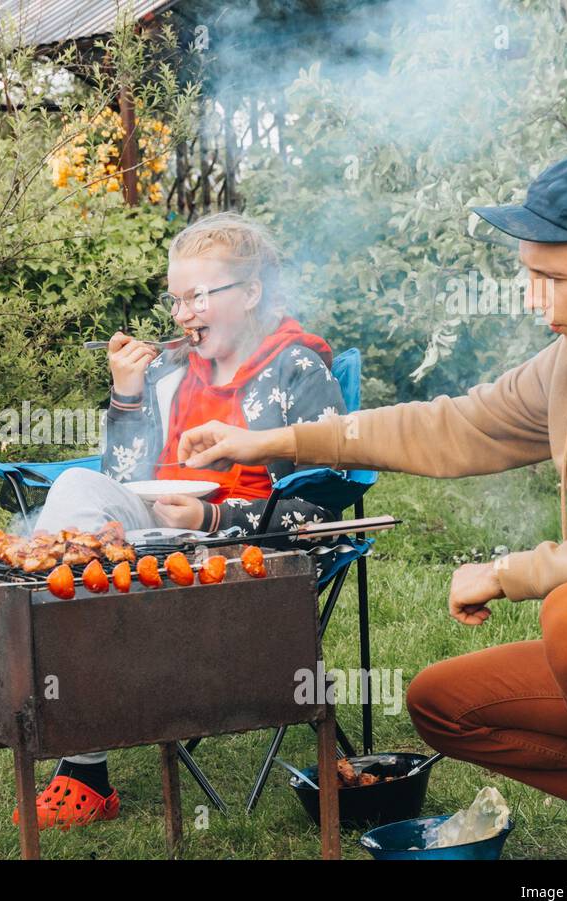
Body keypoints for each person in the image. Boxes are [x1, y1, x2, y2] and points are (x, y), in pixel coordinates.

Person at [180, 147, 567, 859]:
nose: (532, 300)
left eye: (551, 279)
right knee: (445, 703)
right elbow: (458, 424)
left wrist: (508, 572)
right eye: (528, 277)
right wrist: (277, 438)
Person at [18, 211, 346, 830]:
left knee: (111, 553)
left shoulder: (296, 371)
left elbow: (319, 504)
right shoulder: (172, 372)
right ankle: (44, 684)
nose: (181, 314)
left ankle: (77, 756)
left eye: (197, 296)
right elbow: (125, 473)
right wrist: (127, 393)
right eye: (175, 299)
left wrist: (214, 514)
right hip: (151, 530)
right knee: (76, 487)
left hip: (244, 552)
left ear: (249, 294)